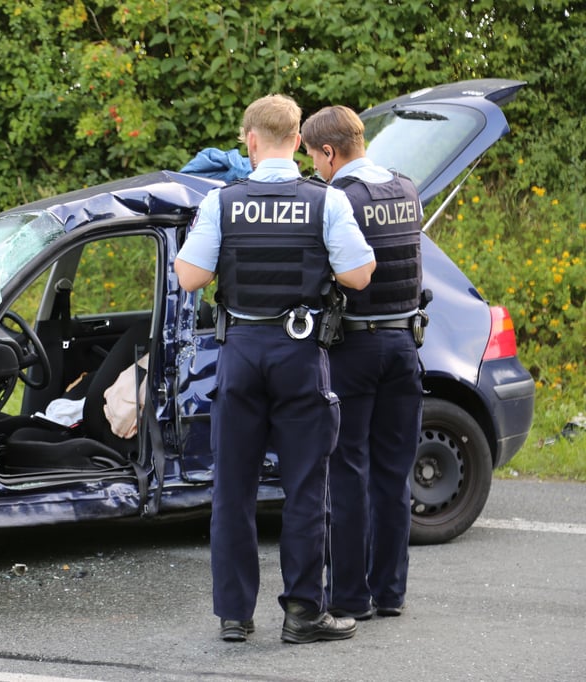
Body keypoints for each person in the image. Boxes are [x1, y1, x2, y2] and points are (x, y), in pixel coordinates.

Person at [174, 95, 376, 644]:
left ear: (251, 141)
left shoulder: (223, 201)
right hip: (300, 353)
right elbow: (360, 274)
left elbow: (189, 277)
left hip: (240, 350)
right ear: (297, 139)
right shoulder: (325, 202)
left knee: (233, 489)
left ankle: (235, 617)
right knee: (306, 488)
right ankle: (303, 614)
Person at [300, 105, 425, 621]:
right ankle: (390, 591)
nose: (314, 167)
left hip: (355, 349)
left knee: (348, 474)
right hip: (405, 347)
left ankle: (351, 597)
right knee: (393, 476)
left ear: (330, 152)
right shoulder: (406, 187)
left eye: (313, 157)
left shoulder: (340, 199)